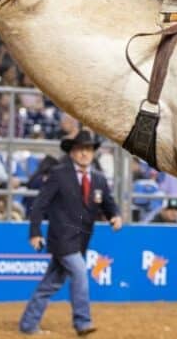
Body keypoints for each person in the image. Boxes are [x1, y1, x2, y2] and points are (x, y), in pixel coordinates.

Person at [19, 131, 122, 336]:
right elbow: (40, 205)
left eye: (88, 149)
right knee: (80, 273)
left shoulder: (99, 180)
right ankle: (82, 321)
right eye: (80, 149)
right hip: (62, 238)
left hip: (81, 240)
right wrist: (35, 232)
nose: (84, 153)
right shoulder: (59, 174)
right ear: (72, 153)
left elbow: (109, 203)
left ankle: (28, 324)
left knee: (51, 283)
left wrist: (115, 215)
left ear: (93, 153)